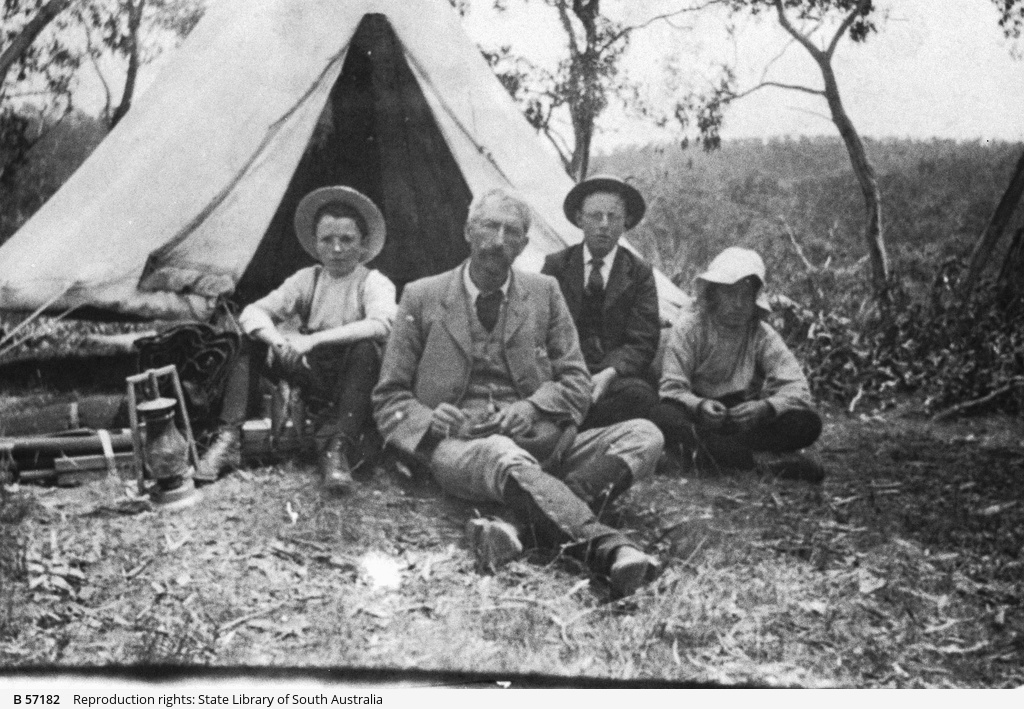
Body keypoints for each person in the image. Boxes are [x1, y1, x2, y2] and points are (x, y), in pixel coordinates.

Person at [372, 187, 663, 597]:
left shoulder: (544, 292)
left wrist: (532, 405)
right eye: (489, 227)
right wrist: (430, 420)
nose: (498, 240)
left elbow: (577, 382)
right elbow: (389, 398)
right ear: (468, 232)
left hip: (541, 439)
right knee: (498, 452)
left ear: (524, 245)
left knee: (645, 435)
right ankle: (608, 549)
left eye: (512, 232)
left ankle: (520, 524)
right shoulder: (422, 296)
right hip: (464, 446)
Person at [196, 186, 397, 491]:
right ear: (316, 245)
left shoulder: (372, 282)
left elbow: (381, 324)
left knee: (366, 350)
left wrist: (315, 340)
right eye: (327, 240)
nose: (337, 249)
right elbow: (253, 311)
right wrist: (278, 342)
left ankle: (337, 450)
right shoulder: (309, 278)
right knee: (247, 341)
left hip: (351, 377)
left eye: (347, 240)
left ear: (363, 243)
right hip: (310, 369)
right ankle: (229, 438)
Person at [650, 247, 826, 482]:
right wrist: (700, 405)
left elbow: (798, 387)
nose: (738, 304)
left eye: (746, 295)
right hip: (696, 414)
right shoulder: (690, 328)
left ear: (755, 299)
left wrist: (765, 408)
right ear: (713, 294)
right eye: (730, 294)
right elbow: (672, 388)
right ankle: (760, 463)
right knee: (663, 416)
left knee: (808, 423)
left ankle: (708, 456)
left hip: (738, 418)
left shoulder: (761, 334)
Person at [541, 175, 660, 429]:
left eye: (613, 216)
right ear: (580, 218)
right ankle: (584, 425)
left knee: (641, 397)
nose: (604, 225)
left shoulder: (639, 273)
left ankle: (573, 426)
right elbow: (539, 329)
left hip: (613, 378)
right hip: (563, 372)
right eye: (595, 216)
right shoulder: (556, 266)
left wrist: (610, 372)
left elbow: (644, 340)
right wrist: (566, 373)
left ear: (626, 221)